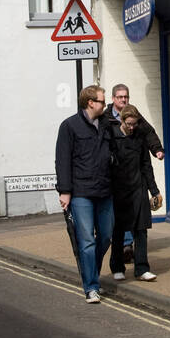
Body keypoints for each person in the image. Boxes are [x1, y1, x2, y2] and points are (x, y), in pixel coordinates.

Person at [55, 85, 114, 303]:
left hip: (105, 190)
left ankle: (91, 273)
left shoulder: (107, 126)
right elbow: (62, 160)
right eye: (102, 101)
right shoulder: (70, 126)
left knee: (106, 236)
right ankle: (91, 286)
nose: (105, 104)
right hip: (80, 193)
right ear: (91, 102)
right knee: (87, 240)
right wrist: (65, 191)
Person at [106, 84, 164, 264]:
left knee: (138, 222)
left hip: (135, 180)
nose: (123, 100)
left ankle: (130, 250)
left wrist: (157, 149)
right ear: (113, 99)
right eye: (120, 97)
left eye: (126, 97)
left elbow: (149, 133)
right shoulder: (106, 119)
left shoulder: (135, 117)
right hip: (117, 182)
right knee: (120, 221)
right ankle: (123, 250)